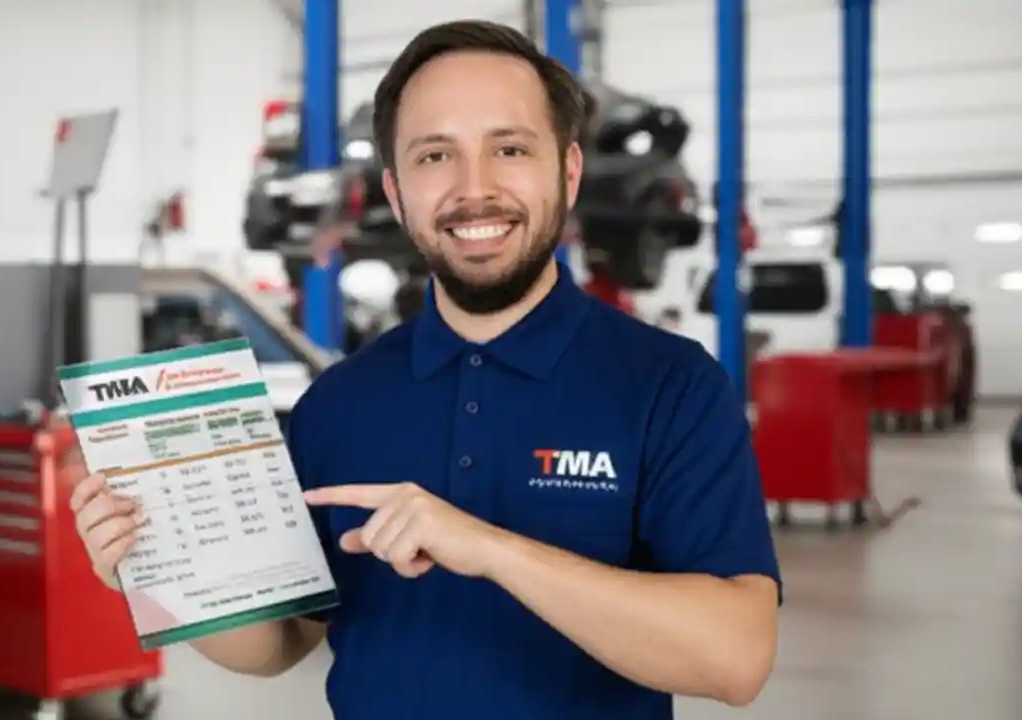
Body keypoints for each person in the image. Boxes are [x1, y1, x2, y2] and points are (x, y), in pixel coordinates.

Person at [67, 19, 781, 719]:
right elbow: (282, 643)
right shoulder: (338, 403)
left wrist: (491, 550)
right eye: (435, 155)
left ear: (567, 173)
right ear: (396, 190)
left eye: (509, 148)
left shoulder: (670, 386)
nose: (474, 187)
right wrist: (160, 573)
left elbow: (736, 659)